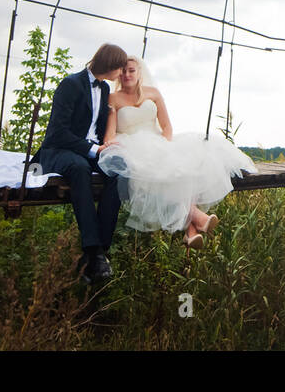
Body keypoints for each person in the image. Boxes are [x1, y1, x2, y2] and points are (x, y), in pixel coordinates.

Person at [98, 55, 257, 249]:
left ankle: (191, 231)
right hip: (131, 145)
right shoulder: (113, 98)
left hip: (157, 141)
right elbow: (109, 135)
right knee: (159, 171)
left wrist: (163, 147)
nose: (127, 75)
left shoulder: (153, 93)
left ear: (140, 72)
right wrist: (114, 145)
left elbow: (166, 127)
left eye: (131, 70)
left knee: (182, 166)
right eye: (123, 71)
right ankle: (195, 221)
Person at [30, 42, 129, 284]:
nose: (121, 73)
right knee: (79, 168)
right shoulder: (71, 85)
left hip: (91, 149)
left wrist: (108, 146)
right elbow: (57, 133)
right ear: (110, 65)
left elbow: (100, 126)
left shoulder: (104, 89)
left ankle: (98, 253)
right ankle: (94, 250)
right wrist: (94, 150)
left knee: (118, 171)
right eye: (120, 68)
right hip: (61, 149)